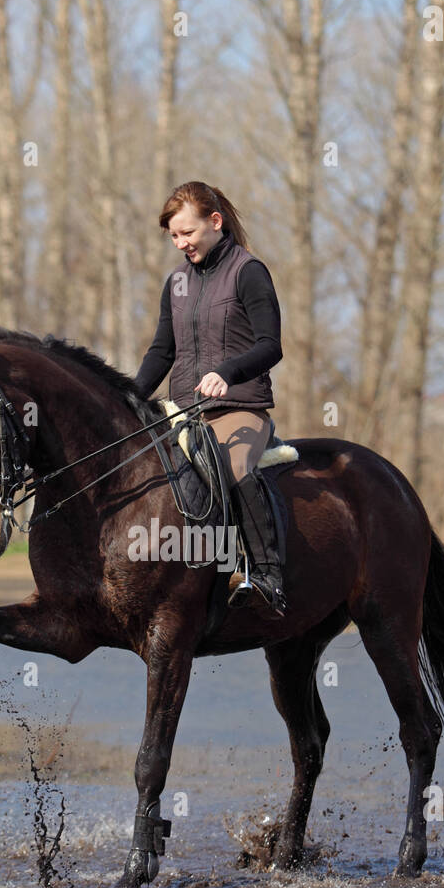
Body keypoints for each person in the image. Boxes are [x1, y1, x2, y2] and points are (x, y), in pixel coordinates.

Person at [134, 181, 286, 615]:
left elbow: (270, 345)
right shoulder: (176, 283)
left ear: (215, 222)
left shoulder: (248, 271)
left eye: (187, 233)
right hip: (183, 411)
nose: (181, 244)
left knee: (232, 468)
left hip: (239, 408)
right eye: (175, 237)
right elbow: (162, 352)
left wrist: (227, 373)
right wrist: (127, 397)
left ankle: (266, 576)